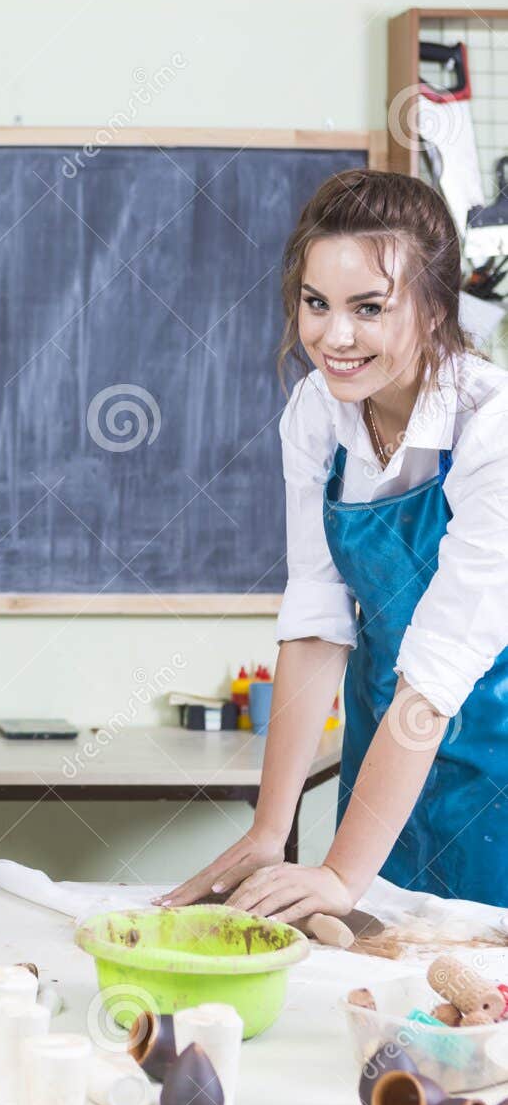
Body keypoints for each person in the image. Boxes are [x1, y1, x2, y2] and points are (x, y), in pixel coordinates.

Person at [168, 169, 508, 920]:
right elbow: (318, 618)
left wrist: (339, 874)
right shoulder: (318, 412)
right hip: (382, 751)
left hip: (493, 759)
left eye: (368, 308)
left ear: (433, 308)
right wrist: (271, 826)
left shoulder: (491, 431)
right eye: (315, 303)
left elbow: (440, 668)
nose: (333, 336)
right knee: (377, 988)